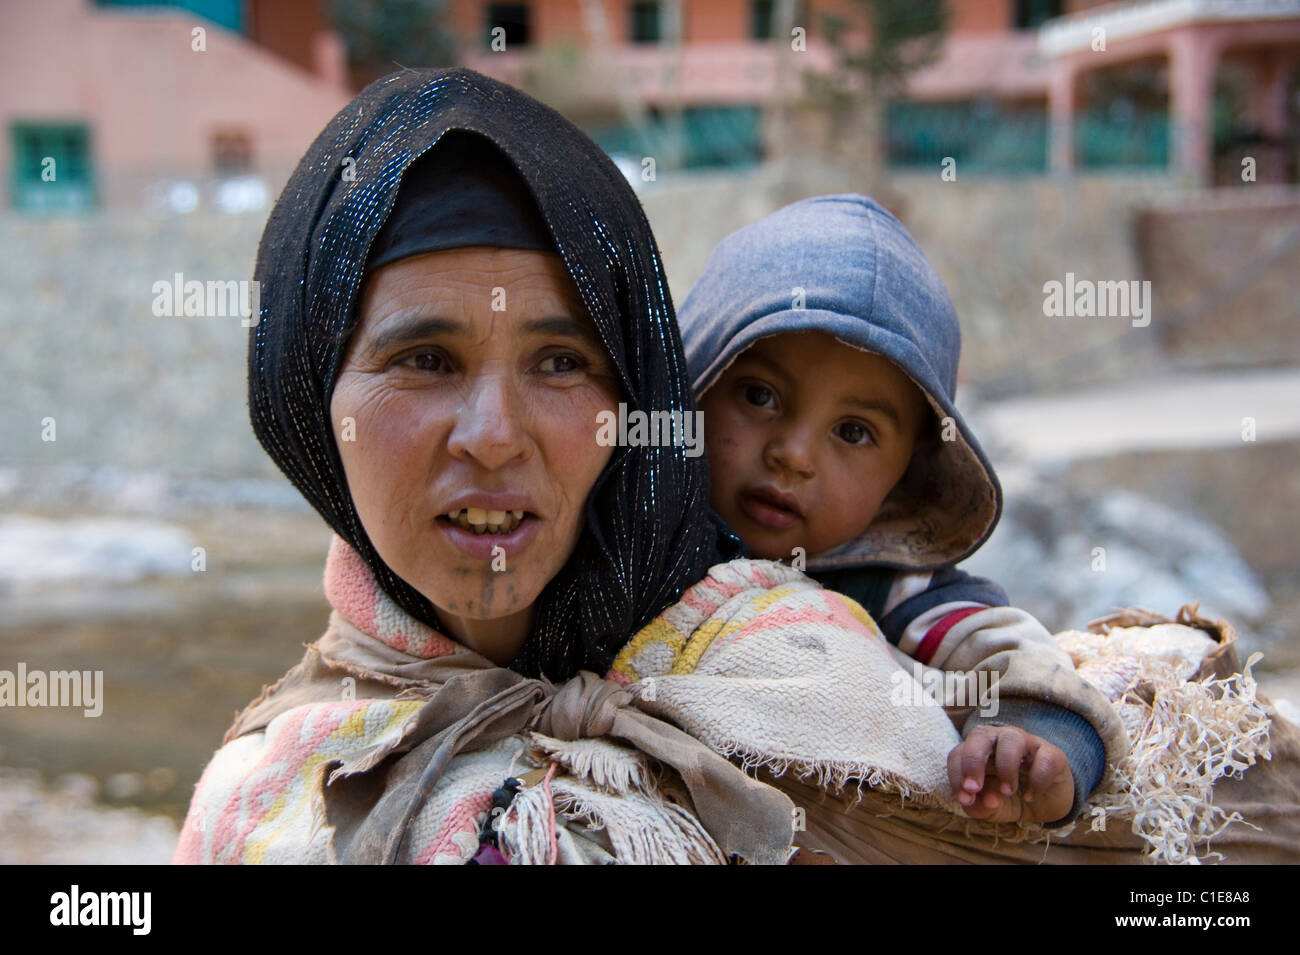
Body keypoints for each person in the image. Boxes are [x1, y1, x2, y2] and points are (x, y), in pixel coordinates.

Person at [174, 69, 1011, 865]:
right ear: (310, 402)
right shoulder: (263, 794)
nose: (494, 436)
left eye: (561, 363)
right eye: (426, 359)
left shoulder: (822, 686)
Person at [676, 194, 1116, 826]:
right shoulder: (629, 536)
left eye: (853, 432)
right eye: (759, 395)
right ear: (696, 376)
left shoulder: (897, 590)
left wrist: (1031, 742)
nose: (793, 455)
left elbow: (1015, 661)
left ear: (906, 470)